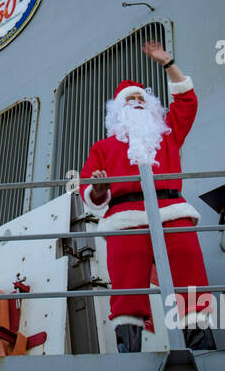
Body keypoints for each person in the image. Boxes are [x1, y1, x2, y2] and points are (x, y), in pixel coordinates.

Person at [80, 41, 211, 353]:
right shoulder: (104, 147)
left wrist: (168, 63)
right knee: (127, 285)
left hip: (172, 211)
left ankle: (202, 342)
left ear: (150, 105)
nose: (137, 102)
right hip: (124, 218)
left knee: (190, 275)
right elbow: (89, 184)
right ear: (119, 111)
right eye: (130, 99)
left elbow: (187, 102)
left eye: (141, 98)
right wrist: (99, 189)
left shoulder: (167, 133)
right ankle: (129, 346)